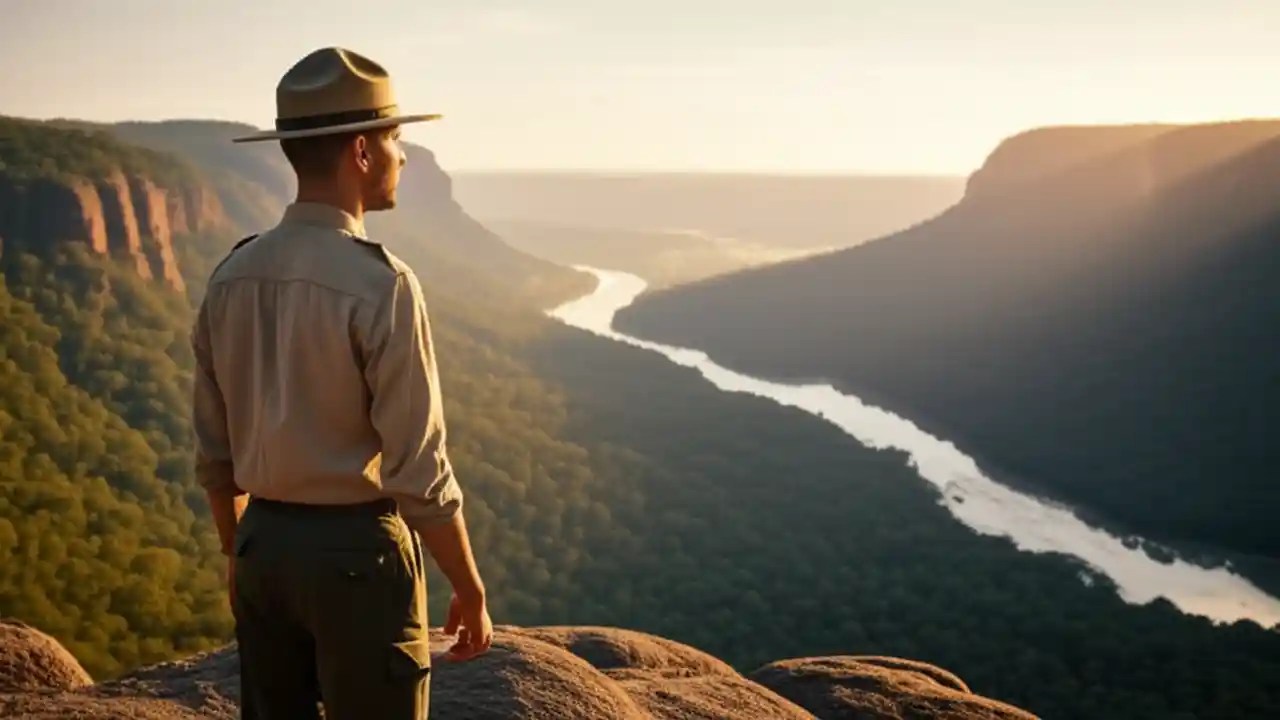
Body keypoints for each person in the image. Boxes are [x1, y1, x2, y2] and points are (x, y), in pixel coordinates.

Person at [190, 46, 492, 719]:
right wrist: (468, 587)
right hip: (359, 559)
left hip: (263, 547)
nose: (403, 156)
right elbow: (419, 470)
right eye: (395, 139)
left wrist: (237, 550)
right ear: (361, 151)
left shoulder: (229, 276)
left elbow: (215, 452)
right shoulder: (383, 285)